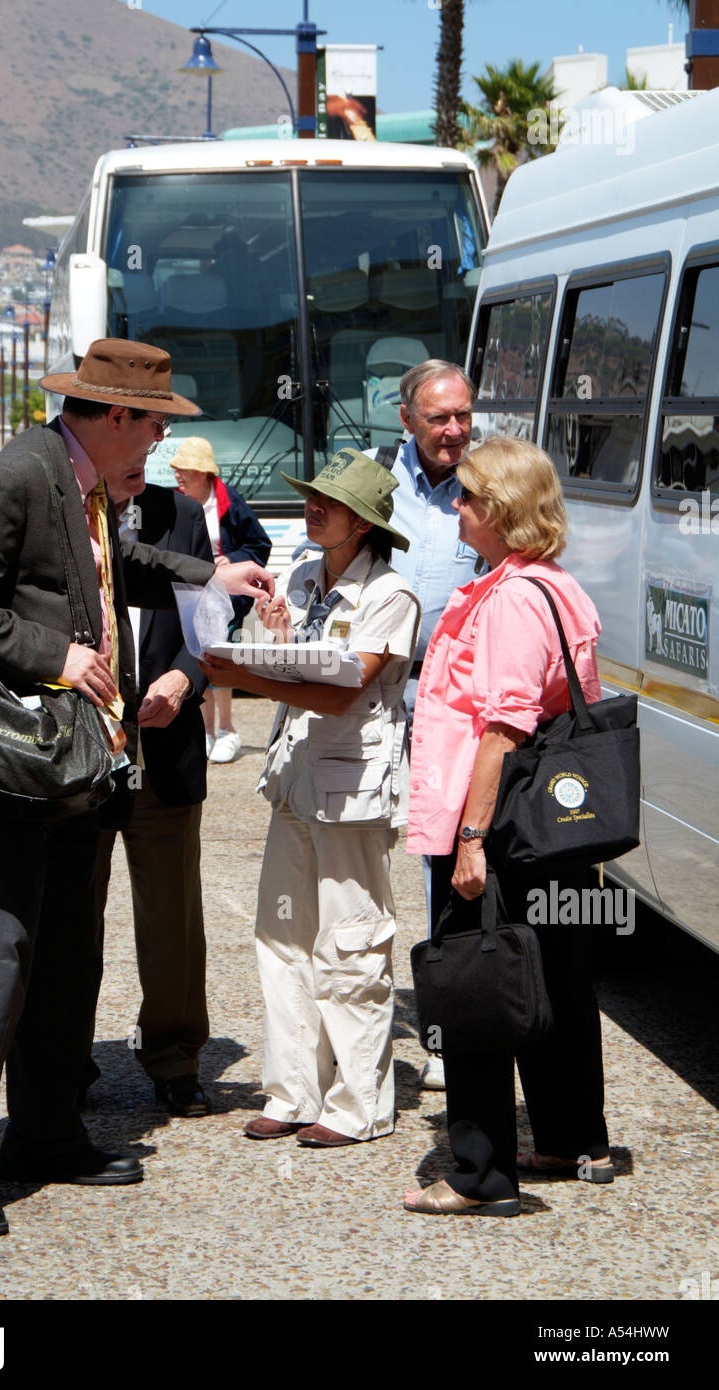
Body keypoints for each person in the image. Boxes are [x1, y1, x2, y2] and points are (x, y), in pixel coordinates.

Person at [0, 339, 273, 1238]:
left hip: (76, 771)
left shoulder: (87, 481)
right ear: (113, 417)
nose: (158, 445)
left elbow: (114, 568)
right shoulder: (18, 471)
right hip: (6, 773)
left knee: (68, 959)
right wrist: (52, 654)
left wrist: (205, 573)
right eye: (152, 426)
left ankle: (44, 1135)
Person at [402, 437, 613, 1218]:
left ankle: (480, 1174)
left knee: (477, 983)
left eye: (465, 497)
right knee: (555, 973)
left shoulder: (513, 599)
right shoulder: (556, 586)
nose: (455, 507)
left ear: (499, 510)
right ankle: (570, 1136)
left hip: (496, 821)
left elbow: (502, 729)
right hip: (551, 823)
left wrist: (469, 838)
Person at [202, 449, 419, 1146]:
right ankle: (293, 1090)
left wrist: (248, 675)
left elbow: (344, 688)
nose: (311, 507)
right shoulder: (299, 576)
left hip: (352, 791)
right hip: (295, 782)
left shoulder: (392, 595)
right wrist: (272, 631)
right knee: (282, 935)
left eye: (327, 502)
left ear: (363, 524)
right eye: (311, 497)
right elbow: (289, 660)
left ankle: (358, 1105)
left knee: (351, 941)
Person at [89, 465, 215, 1119]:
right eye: (133, 426)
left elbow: (212, 626)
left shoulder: (183, 515)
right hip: (78, 752)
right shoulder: (62, 507)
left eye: (153, 428)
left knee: (171, 920)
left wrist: (184, 679)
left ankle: (174, 1058)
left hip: (163, 751)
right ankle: (62, 1060)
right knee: (69, 917)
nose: (148, 442)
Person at [372, 358, 484, 1091]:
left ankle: (447, 1030)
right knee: (357, 857)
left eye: (463, 416)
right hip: (375, 697)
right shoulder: (374, 483)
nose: (454, 431)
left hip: (454, 707)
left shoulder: (489, 486)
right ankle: (359, 1023)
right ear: (406, 418)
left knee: (446, 868)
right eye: (439, 418)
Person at [171, 437, 271, 763]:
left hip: (226, 597)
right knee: (198, 662)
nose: (177, 476)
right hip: (190, 594)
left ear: (202, 472)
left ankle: (227, 730)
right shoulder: (173, 501)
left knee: (221, 663)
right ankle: (206, 731)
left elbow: (258, 544)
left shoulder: (230, 500)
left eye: (183, 469)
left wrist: (234, 560)